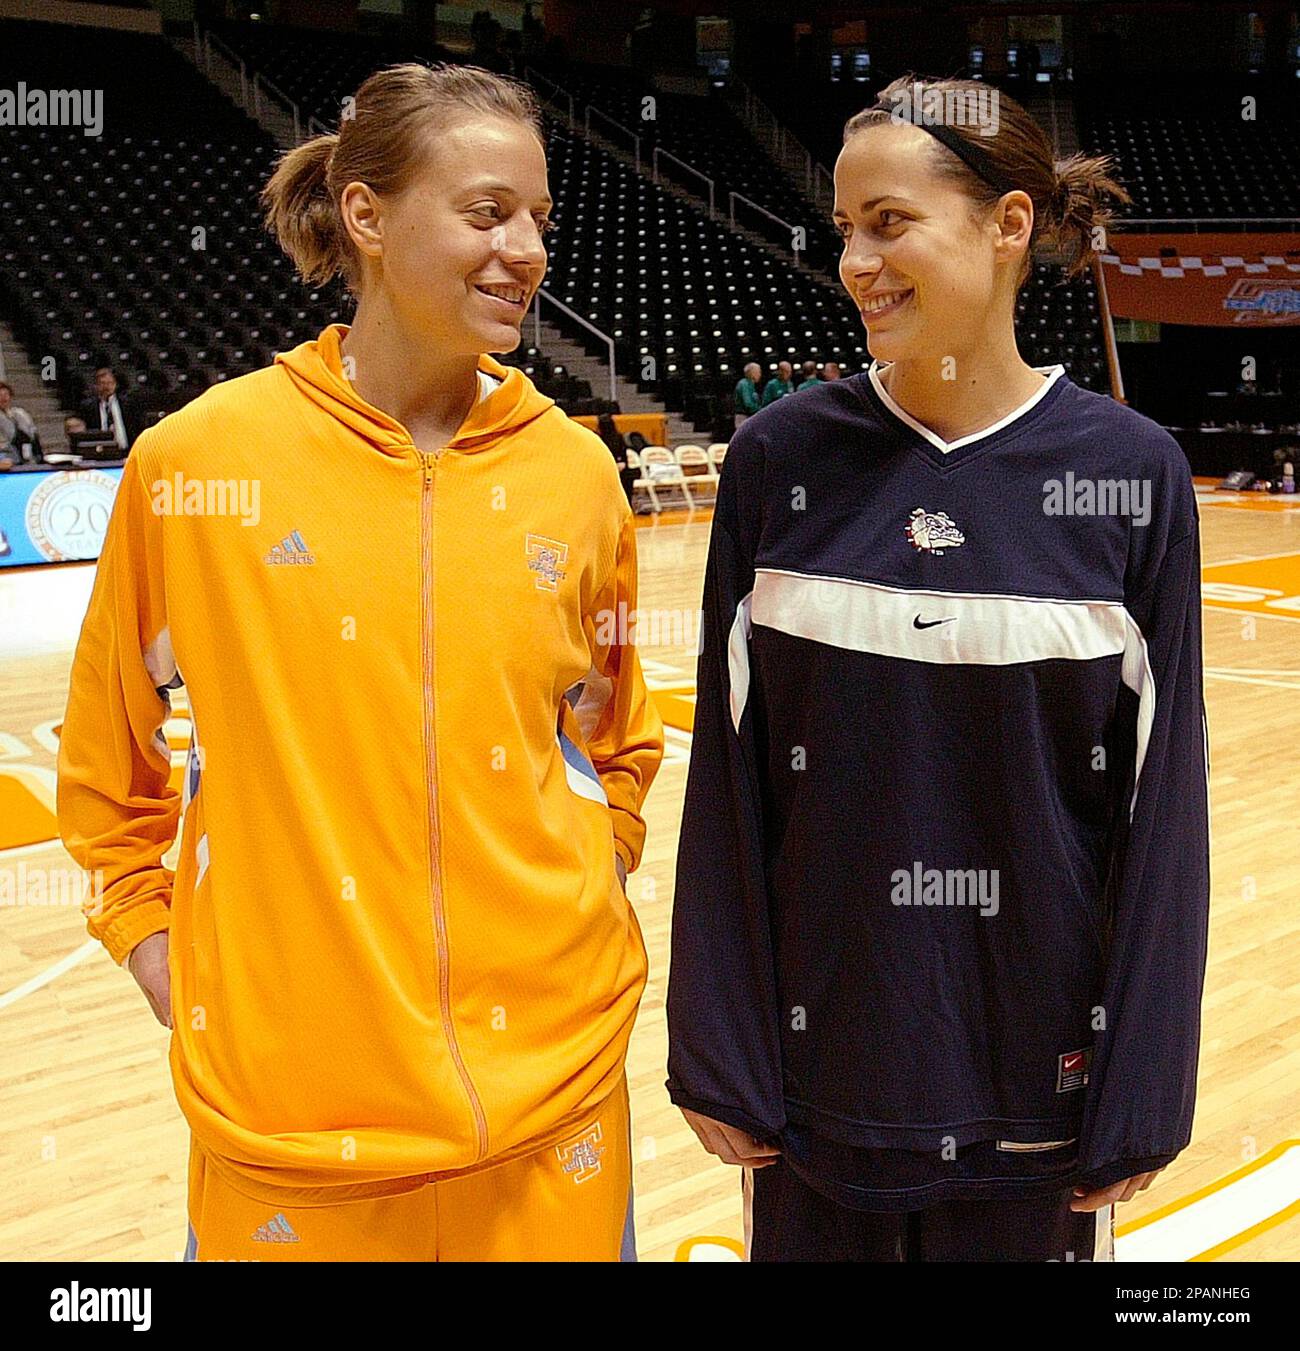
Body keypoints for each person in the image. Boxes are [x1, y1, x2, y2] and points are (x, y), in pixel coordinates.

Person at [58, 63, 664, 1263]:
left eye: (540, 217)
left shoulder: (577, 476)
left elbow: (618, 740)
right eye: (488, 213)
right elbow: (103, 766)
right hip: (294, 1139)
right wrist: (174, 967)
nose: (527, 250)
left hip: (556, 1118)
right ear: (367, 217)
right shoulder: (197, 465)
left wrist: (586, 880)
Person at [666, 73, 1209, 1263]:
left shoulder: (1129, 475)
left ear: (1008, 225)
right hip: (818, 1092)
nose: (856, 259)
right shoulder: (779, 459)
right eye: (845, 228)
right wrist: (718, 1046)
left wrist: (1143, 1086)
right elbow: (728, 776)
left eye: (890, 222)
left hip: (1040, 1103)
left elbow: (1163, 810)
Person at [80, 367, 142, 452]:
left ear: (115, 384)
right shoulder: (88, 407)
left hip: (127, 450)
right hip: (101, 451)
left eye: (110, 383)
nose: (107, 387)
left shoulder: (128, 403)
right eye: (102, 383)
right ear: (96, 386)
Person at [597, 409, 637, 505]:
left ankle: (627, 504)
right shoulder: (598, 438)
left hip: (620, 466)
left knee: (629, 475)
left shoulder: (619, 437)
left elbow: (623, 453)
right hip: (605, 468)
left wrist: (623, 463)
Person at [0, 381, 42, 461]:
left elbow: (32, 433)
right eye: (0, 395)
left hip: (26, 451)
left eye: (6, 395)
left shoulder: (19, 413)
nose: (3, 398)